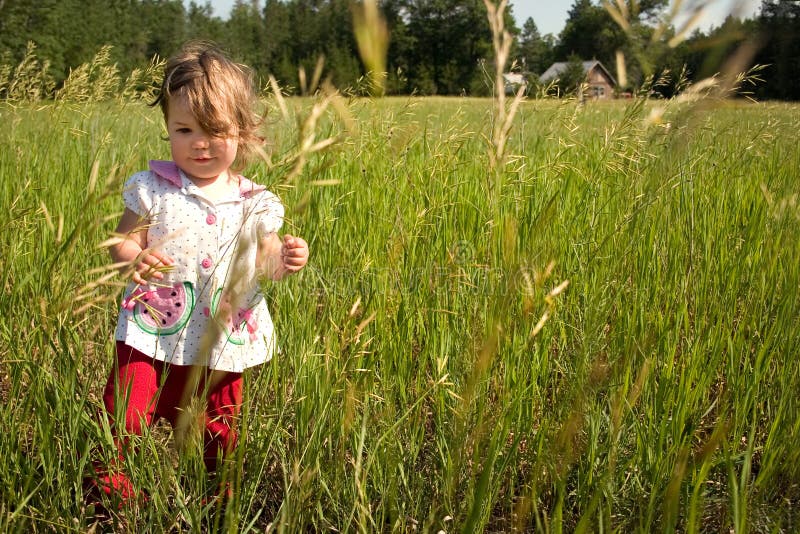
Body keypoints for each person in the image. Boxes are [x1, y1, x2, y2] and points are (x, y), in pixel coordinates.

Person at [92, 41, 308, 505]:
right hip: (152, 329)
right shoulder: (151, 187)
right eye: (184, 129)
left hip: (222, 334)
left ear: (245, 132)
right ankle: (112, 496)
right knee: (125, 415)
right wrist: (133, 257)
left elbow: (266, 261)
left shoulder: (256, 202)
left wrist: (285, 259)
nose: (199, 143)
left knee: (220, 428)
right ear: (167, 129)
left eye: (215, 129)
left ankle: (218, 500)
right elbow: (120, 239)